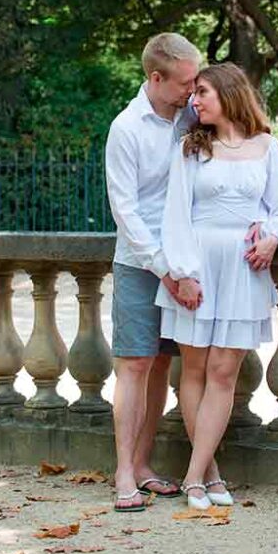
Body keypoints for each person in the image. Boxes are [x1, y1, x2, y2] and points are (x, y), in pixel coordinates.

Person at [156, 63, 278, 510]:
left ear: (229, 92)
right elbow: (175, 215)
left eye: (202, 92)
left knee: (223, 372)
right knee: (194, 370)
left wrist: (271, 237)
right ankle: (207, 476)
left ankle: (193, 476)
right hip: (199, 264)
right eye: (193, 93)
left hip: (243, 270)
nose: (194, 101)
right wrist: (183, 272)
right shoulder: (191, 147)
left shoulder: (267, 146)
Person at [105, 32, 201, 513]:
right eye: (186, 82)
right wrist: (164, 269)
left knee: (162, 364)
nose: (193, 89)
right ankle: (124, 471)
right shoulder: (126, 129)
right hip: (140, 264)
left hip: (185, 262)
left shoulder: (192, 117)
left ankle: (143, 465)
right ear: (156, 78)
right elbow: (125, 211)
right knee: (134, 365)